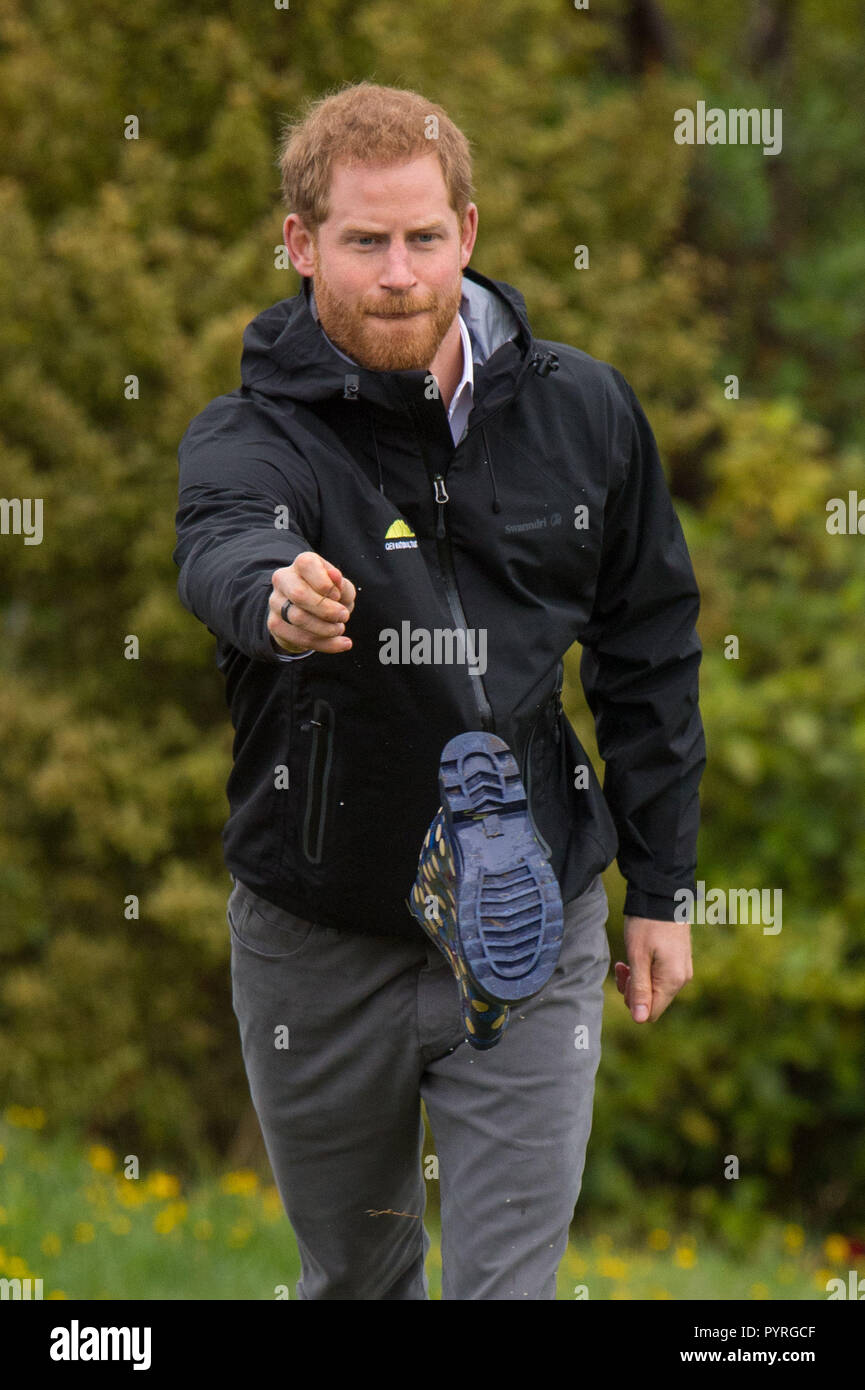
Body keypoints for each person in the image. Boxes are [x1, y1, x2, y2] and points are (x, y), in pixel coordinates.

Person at [173, 80, 706, 1300]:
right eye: (364, 242)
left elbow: (650, 650)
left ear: (468, 232)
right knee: (354, 1280)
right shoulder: (249, 435)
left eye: (423, 237)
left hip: (533, 910)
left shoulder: (584, 411)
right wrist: (275, 598)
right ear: (302, 246)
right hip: (319, 933)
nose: (399, 272)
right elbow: (224, 545)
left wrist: (662, 883)